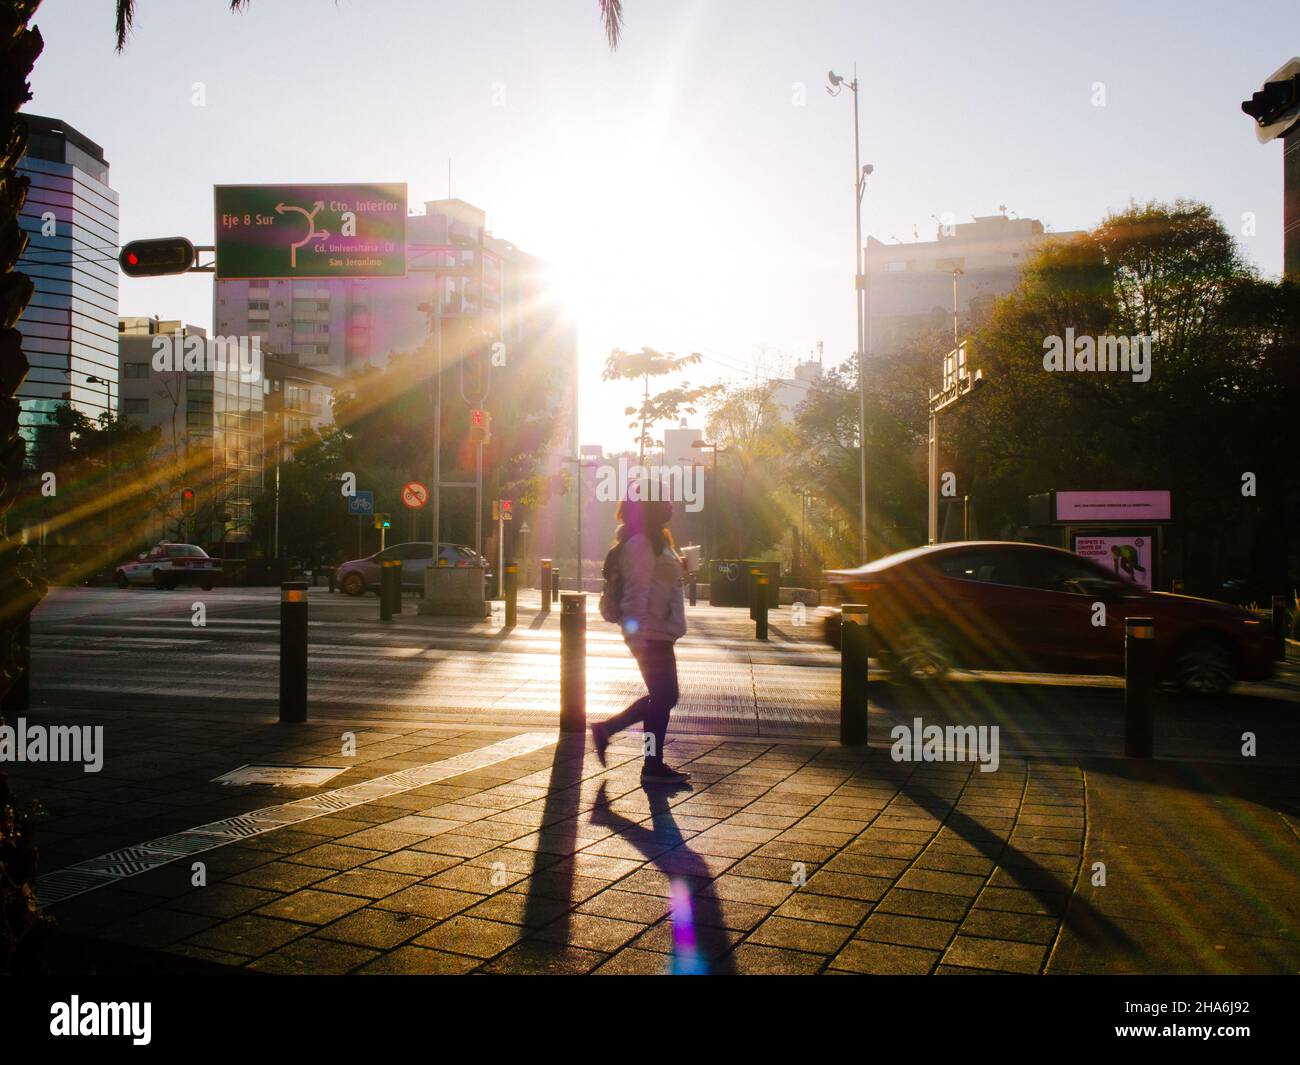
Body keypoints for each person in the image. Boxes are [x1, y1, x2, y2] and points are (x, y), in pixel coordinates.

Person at [591, 493, 690, 784]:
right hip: (650, 635)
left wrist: (678, 566)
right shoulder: (640, 544)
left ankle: (644, 757)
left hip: (659, 632)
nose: (668, 506)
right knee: (665, 697)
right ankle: (645, 758)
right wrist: (637, 638)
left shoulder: (655, 540)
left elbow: (657, 579)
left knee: (660, 698)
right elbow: (636, 593)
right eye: (662, 501)